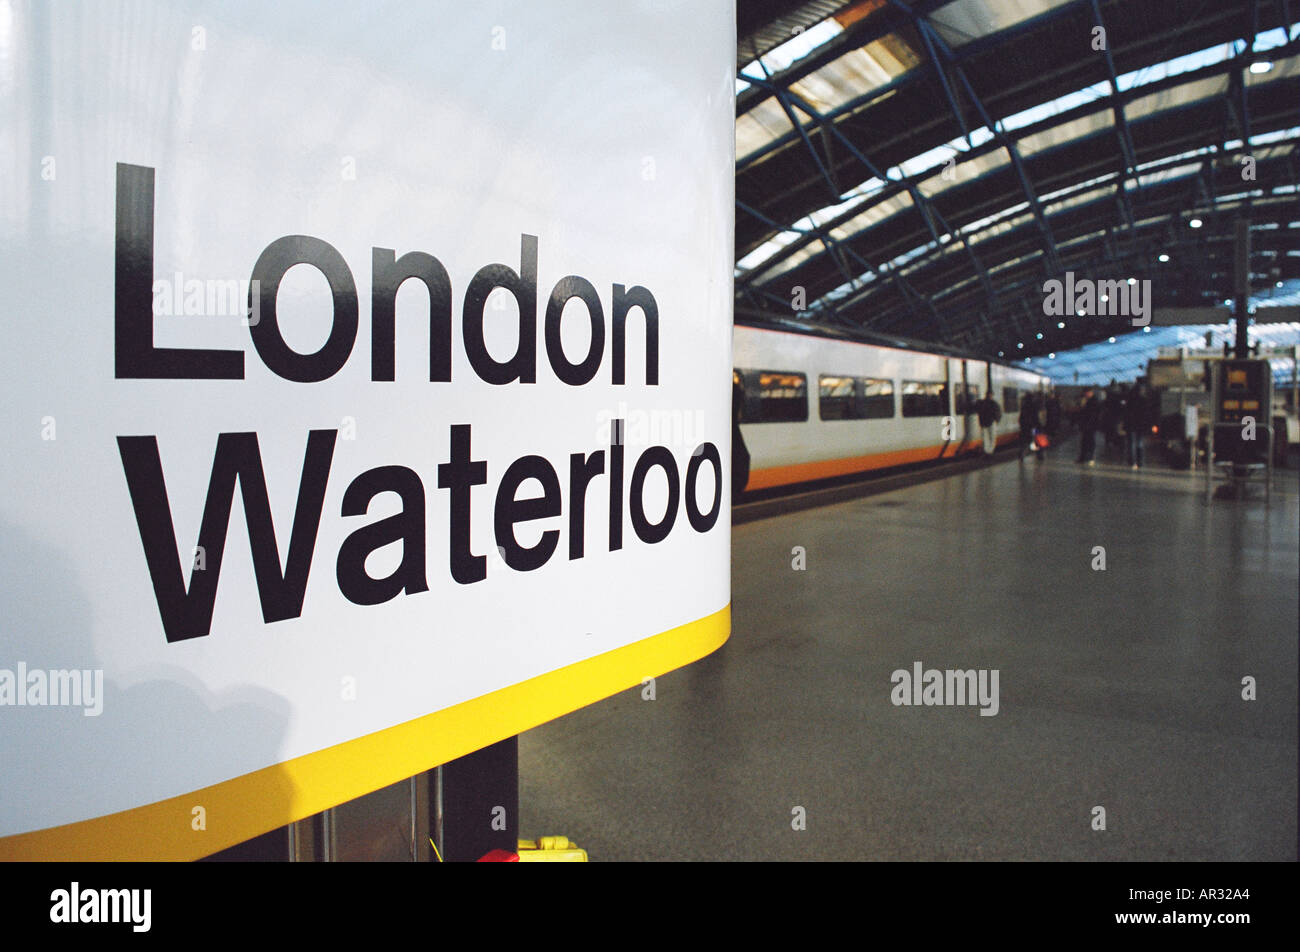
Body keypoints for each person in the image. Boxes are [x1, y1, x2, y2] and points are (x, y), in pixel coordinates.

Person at [1124, 382, 1150, 469]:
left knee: (1131, 444)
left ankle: (1132, 462)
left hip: (1131, 425)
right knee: (1140, 443)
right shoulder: (1144, 400)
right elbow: (1146, 414)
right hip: (1140, 425)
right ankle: (1140, 462)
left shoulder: (1130, 400)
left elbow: (1126, 414)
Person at [1076, 388, 1101, 465]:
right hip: (1087, 424)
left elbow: (1092, 413)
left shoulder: (1094, 401)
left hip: (1091, 424)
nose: (1085, 395)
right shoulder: (1088, 400)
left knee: (1090, 441)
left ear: (1090, 392)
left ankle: (1089, 457)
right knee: (1085, 441)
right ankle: (1084, 457)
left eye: (1086, 393)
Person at [1018, 392, 1040, 461]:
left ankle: (1022, 453)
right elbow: (1036, 418)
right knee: (1035, 440)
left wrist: (1022, 425)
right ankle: (1038, 454)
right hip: (1033, 427)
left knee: (1025, 441)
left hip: (1025, 427)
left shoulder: (1024, 406)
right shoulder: (1034, 406)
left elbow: (1021, 418)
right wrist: (1038, 425)